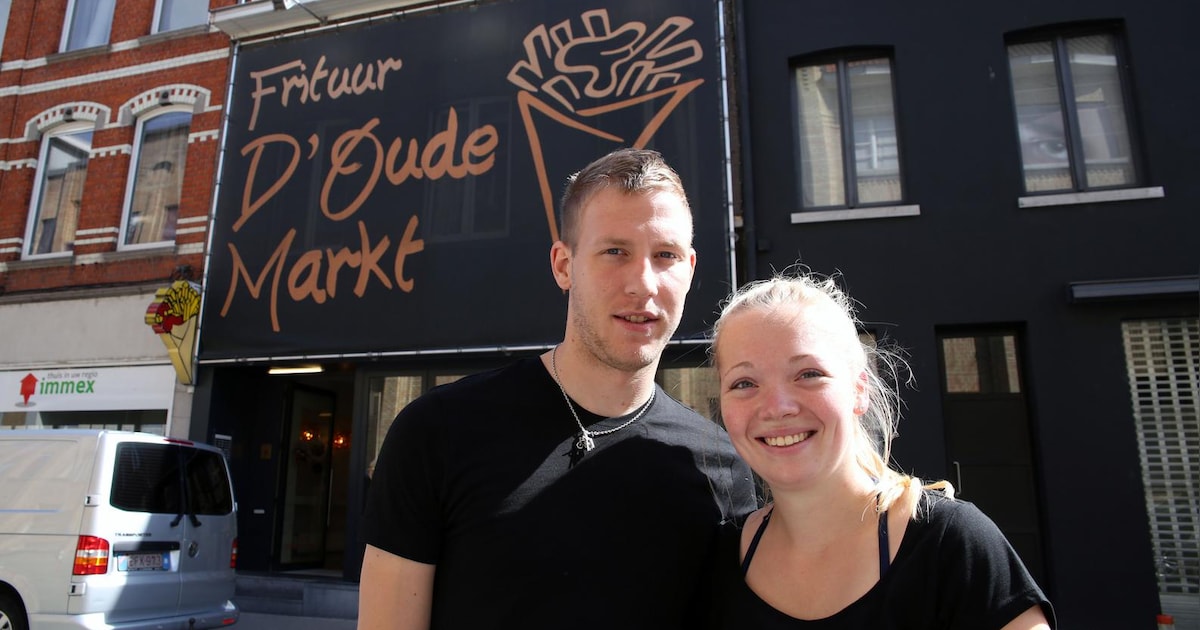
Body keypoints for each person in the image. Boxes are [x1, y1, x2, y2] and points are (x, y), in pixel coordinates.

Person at [359, 148, 758, 629]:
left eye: (665, 255)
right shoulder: (438, 432)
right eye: (615, 252)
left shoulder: (722, 463)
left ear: (690, 270)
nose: (643, 284)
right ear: (563, 265)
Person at [706, 272, 1055, 629]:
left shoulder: (951, 545)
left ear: (859, 390)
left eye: (808, 374)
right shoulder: (718, 562)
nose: (777, 407)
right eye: (744, 383)